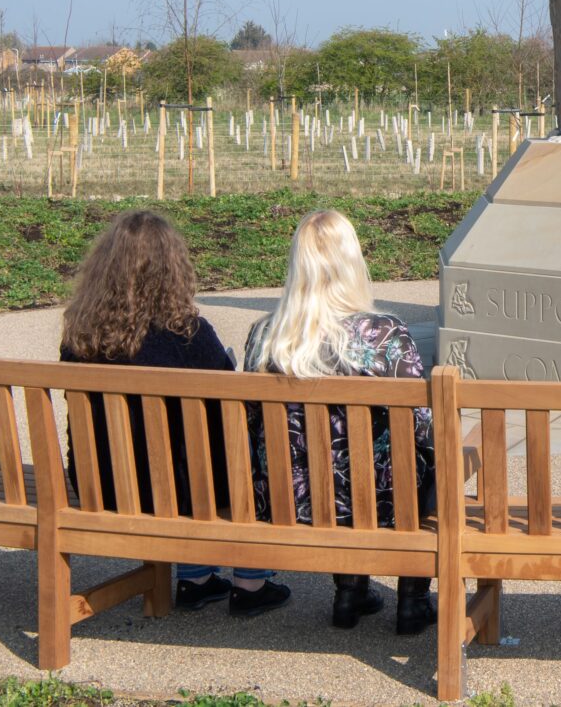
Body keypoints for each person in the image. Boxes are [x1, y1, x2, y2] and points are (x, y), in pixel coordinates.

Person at [59, 210, 291, 617]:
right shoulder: (189, 334)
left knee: (183, 455)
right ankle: (249, 582)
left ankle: (196, 578)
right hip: (176, 491)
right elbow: (230, 410)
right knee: (237, 449)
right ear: (173, 270)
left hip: (102, 484)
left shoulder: (79, 336)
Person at [244, 209, 437, 633]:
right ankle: (412, 599)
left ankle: (349, 592)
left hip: (290, 501)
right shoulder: (385, 334)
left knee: (337, 466)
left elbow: (250, 426)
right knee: (426, 461)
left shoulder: (264, 335)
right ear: (353, 263)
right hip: (383, 506)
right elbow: (423, 429)